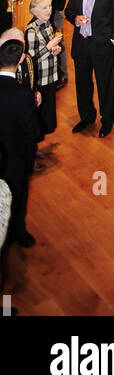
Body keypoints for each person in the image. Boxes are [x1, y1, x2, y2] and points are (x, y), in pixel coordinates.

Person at [64, 0, 114, 137]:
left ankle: (107, 120)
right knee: (82, 83)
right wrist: (75, 18)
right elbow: (69, 10)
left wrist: (112, 40)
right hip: (81, 43)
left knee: (105, 84)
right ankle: (87, 116)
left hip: (102, 44)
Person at [0, 36, 39, 249]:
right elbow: (31, 129)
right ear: (20, 60)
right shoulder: (22, 93)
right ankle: (17, 232)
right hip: (15, 155)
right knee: (17, 194)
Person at [24, 0, 61, 140]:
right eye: (45, 8)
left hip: (50, 75)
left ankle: (40, 140)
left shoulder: (47, 23)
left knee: (48, 112)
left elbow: (46, 50)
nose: (49, 10)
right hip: (40, 78)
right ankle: (35, 143)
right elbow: (31, 60)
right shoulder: (31, 30)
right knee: (39, 114)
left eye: (50, 6)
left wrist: (55, 49)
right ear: (35, 11)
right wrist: (49, 47)